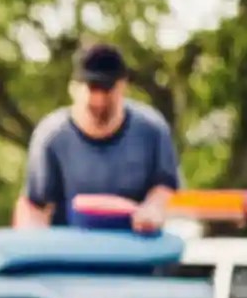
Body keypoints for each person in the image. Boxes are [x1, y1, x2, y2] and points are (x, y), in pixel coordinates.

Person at [12, 41, 182, 233]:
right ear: (74, 88)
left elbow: (167, 187)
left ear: (122, 87)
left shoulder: (152, 129)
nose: (100, 99)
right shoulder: (51, 135)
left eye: (107, 88)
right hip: (73, 251)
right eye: (93, 88)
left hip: (136, 249)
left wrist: (154, 209)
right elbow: (35, 204)